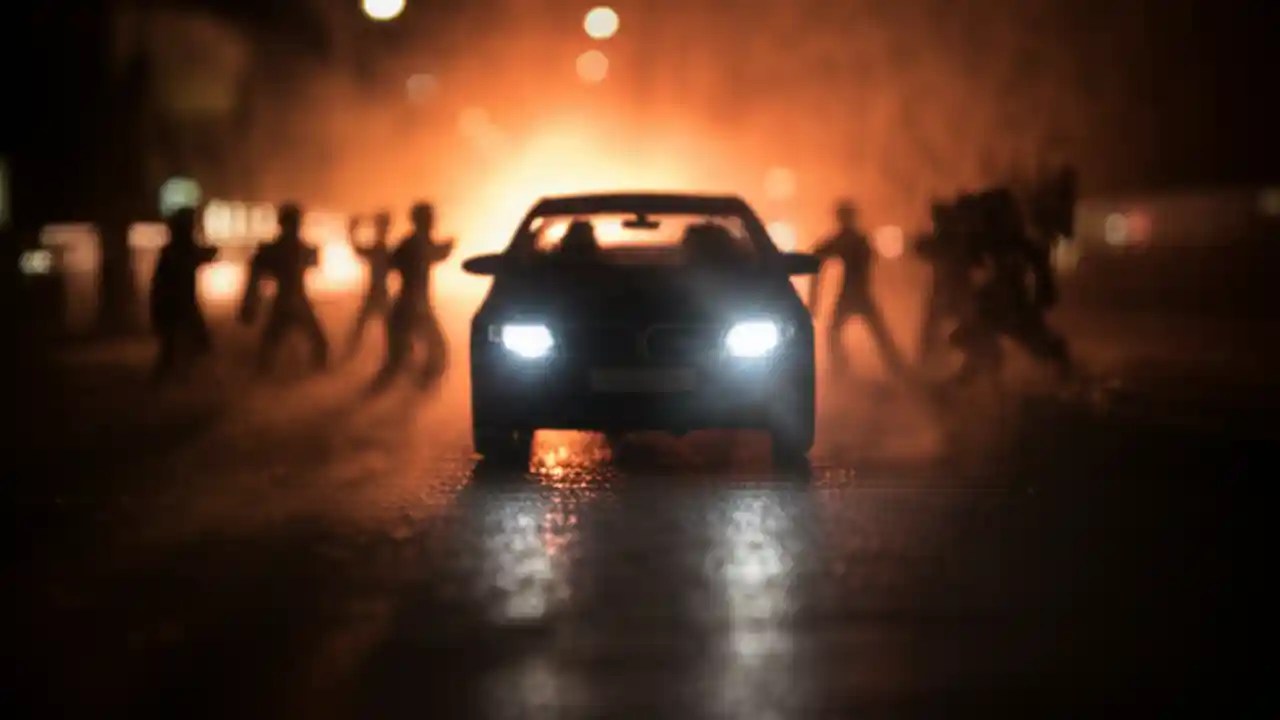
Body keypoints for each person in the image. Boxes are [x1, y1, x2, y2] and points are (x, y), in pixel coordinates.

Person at [808, 200, 907, 378]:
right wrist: (814, 297)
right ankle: (897, 370)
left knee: (836, 333)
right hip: (859, 294)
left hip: (853, 294)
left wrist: (814, 298)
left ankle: (843, 372)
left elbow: (817, 260)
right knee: (870, 335)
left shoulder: (848, 241)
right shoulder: (860, 240)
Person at [238, 202, 329, 375]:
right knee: (317, 343)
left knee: (272, 343)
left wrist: (251, 302)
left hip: (286, 301)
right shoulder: (293, 249)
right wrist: (251, 301)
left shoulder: (276, 249)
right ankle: (317, 376)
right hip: (295, 300)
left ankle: (264, 374)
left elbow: (256, 272)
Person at [373, 202, 455, 388]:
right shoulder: (415, 244)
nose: (433, 223)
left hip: (410, 306)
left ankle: (419, 389)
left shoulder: (414, 242)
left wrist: (445, 249)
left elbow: (390, 263)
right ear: (423, 221)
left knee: (403, 360)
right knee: (432, 352)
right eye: (429, 219)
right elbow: (428, 255)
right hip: (413, 306)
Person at [149, 206, 216, 382]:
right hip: (176, 305)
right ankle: (174, 379)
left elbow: (206, 254)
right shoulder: (177, 251)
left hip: (177, 305)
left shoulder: (175, 250)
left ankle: (179, 376)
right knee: (181, 347)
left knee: (181, 347)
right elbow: (205, 255)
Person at [915, 198, 974, 370]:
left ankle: (973, 365)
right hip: (948, 292)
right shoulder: (954, 239)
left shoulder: (952, 239)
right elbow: (921, 248)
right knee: (932, 332)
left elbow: (922, 248)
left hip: (954, 292)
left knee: (966, 330)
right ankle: (929, 365)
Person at [344, 211, 393, 360]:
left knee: (363, 325)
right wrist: (351, 232)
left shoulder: (381, 250)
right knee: (385, 326)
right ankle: (351, 352)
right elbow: (358, 249)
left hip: (376, 292)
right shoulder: (385, 250)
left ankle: (350, 353)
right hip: (379, 292)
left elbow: (358, 249)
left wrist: (351, 232)